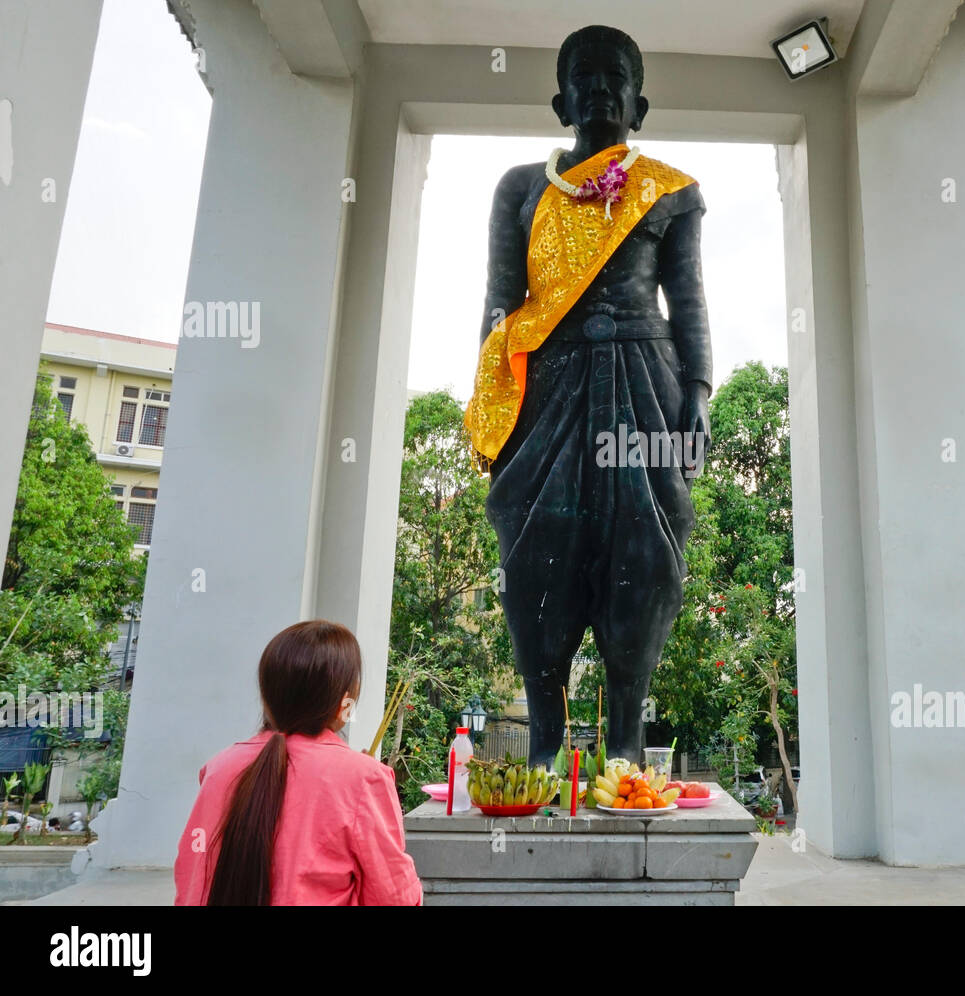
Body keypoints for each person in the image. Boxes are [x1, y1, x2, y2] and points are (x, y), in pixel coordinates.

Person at [463, 24, 712, 763]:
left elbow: (688, 300)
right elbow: (499, 305)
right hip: (549, 383)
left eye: (616, 78)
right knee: (538, 541)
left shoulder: (670, 191)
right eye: (585, 77)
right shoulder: (521, 187)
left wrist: (697, 392)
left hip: (646, 379)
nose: (600, 88)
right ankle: (543, 741)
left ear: (640, 105)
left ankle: (627, 744)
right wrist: (493, 407)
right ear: (559, 100)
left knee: (646, 544)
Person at [173, 620, 422, 906]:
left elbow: (192, 880)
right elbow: (393, 897)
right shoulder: (365, 779)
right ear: (345, 703)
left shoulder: (219, 768)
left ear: (267, 698)